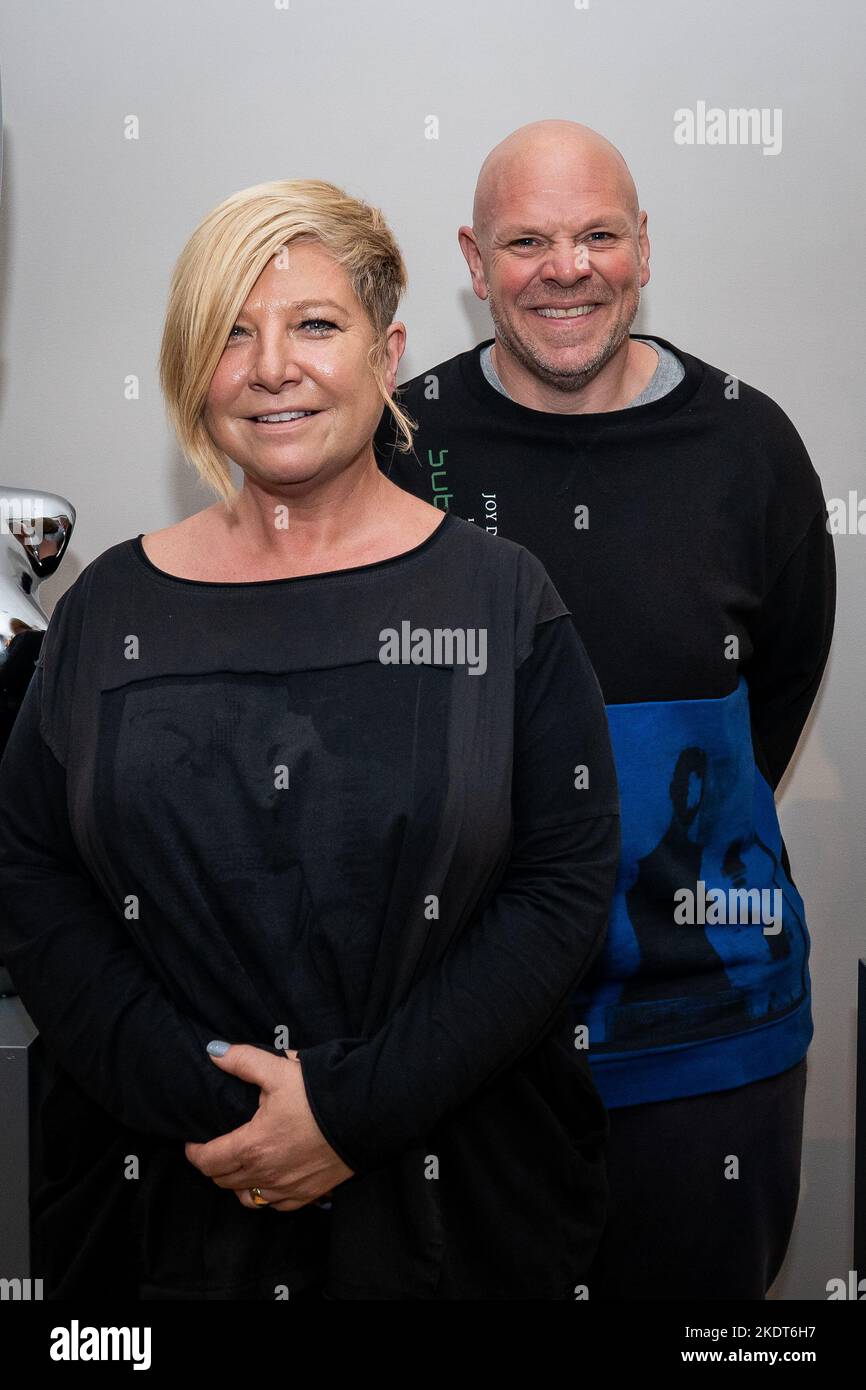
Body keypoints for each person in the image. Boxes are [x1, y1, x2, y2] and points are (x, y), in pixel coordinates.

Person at [0, 177, 621, 1300]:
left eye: (314, 325)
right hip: (159, 1205)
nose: (271, 365)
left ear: (386, 357)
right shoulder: (107, 611)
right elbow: (33, 873)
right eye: (230, 332)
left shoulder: (500, 599)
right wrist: (216, 1107)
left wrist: (347, 1112)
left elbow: (561, 886)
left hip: (453, 1211)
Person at [375, 120, 837, 1300]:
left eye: (596, 235)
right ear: (473, 265)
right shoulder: (395, 445)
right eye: (526, 241)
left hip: (705, 1042)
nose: (564, 268)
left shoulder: (749, 443)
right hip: (458, 1048)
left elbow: (767, 706)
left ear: (642, 248)